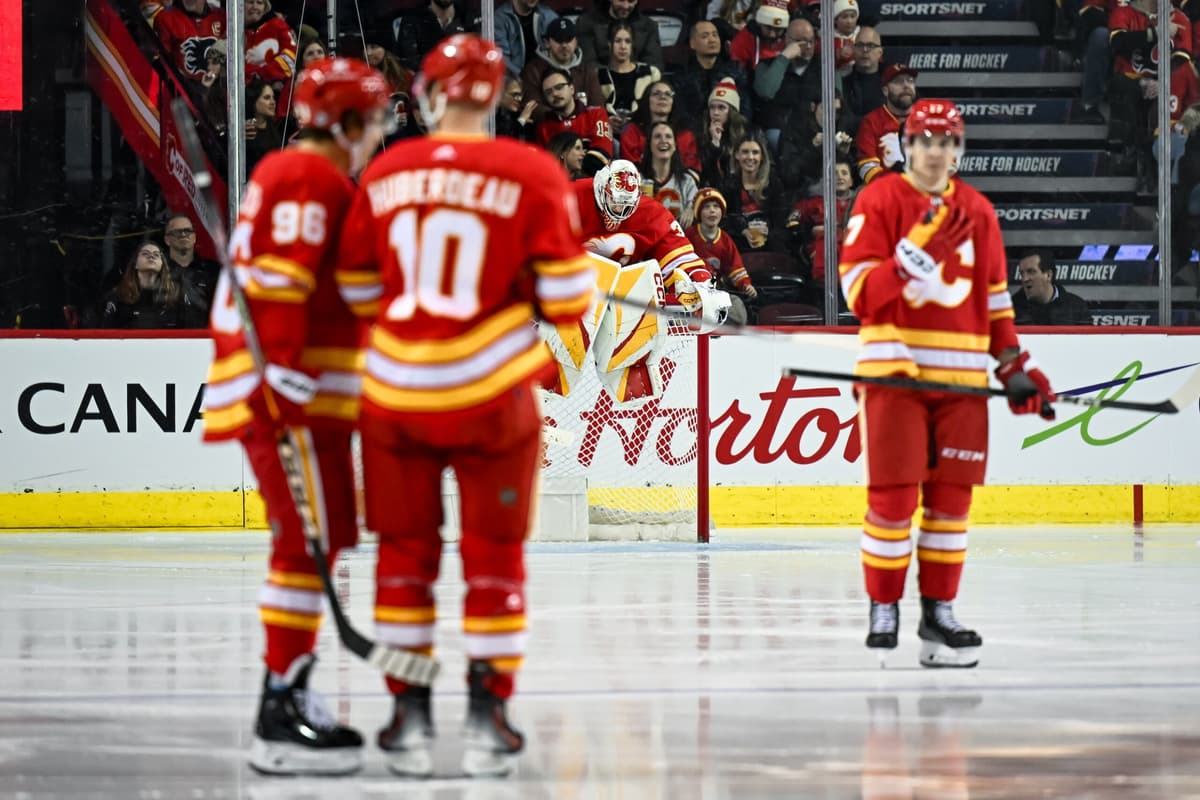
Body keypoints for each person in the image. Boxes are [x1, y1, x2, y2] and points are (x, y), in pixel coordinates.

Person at [334, 34, 594, 779]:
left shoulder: (388, 171)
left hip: (396, 398)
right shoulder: (531, 171)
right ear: (496, 96)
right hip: (492, 398)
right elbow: (568, 300)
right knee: (494, 559)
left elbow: (357, 291)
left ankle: (409, 722)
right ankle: (487, 721)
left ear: (430, 94)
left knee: (403, 560)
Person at [200, 56, 392, 776]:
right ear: (345, 121)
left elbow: (351, 286)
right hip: (291, 399)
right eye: (372, 121)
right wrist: (280, 381)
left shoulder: (315, 179)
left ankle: (288, 696)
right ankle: (280, 711)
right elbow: (277, 283)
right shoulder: (306, 176)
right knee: (302, 546)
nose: (377, 134)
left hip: (308, 398)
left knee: (326, 537)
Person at [837, 99, 1057, 669]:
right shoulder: (879, 200)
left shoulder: (979, 212)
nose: (935, 153)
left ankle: (939, 611)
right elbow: (860, 297)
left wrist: (1015, 369)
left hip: (962, 385)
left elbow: (996, 305)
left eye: (946, 142)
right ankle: (884, 608)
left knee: (951, 507)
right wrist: (918, 254)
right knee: (892, 502)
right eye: (925, 141)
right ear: (907, 146)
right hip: (895, 378)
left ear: (958, 150)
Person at [685, 187, 756, 324]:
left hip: (716, 290)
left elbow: (735, 267)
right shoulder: (689, 235)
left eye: (716, 206)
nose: (712, 210)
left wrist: (746, 285)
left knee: (738, 310)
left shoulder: (725, 240)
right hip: (691, 290)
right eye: (706, 207)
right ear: (698, 212)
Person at [856, 63, 918, 184]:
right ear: (885, 90)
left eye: (910, 81)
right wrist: (891, 184)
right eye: (898, 82)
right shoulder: (871, 121)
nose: (906, 85)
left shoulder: (926, 118)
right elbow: (866, 166)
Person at [101, 240, 184, 329]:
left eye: (156, 254)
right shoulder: (118, 296)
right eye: (145, 253)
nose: (151, 256)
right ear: (135, 264)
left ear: (162, 264)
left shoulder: (176, 296)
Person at [163, 212, 220, 328]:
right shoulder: (158, 270)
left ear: (194, 238)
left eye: (188, 231)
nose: (183, 235)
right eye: (177, 232)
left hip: (204, 335)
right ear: (167, 239)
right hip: (165, 336)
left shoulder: (213, 270)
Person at [1011, 251, 1092, 325]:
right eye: (1022, 274)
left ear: (1048, 275)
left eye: (1031, 272)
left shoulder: (1077, 307)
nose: (1025, 279)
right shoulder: (1012, 308)